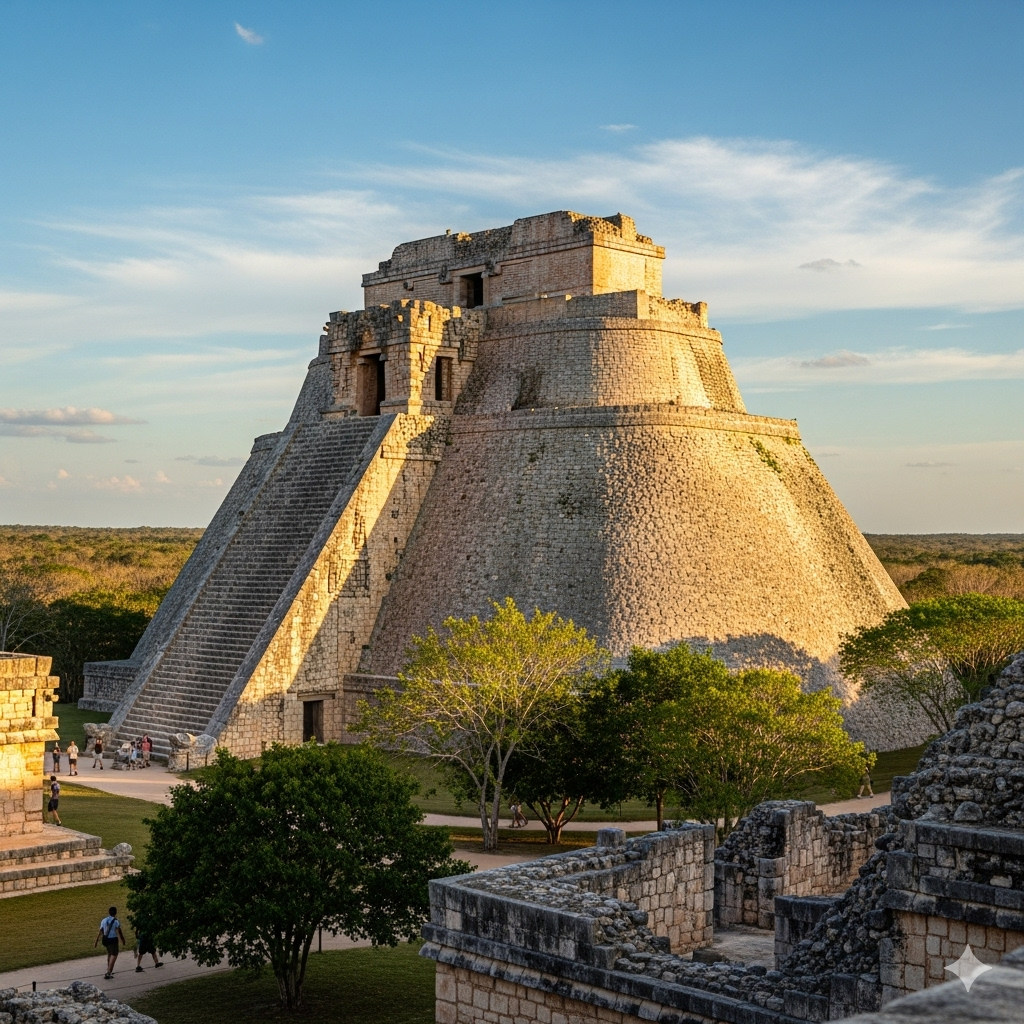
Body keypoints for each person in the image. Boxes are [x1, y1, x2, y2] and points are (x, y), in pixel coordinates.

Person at [95, 906, 127, 980]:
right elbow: (119, 932)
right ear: (115, 913)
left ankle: (108, 969)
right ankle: (109, 972)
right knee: (114, 955)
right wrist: (122, 940)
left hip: (105, 940)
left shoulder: (103, 920)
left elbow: (100, 931)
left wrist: (96, 942)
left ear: (109, 912)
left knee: (110, 953)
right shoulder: (116, 921)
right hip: (113, 940)